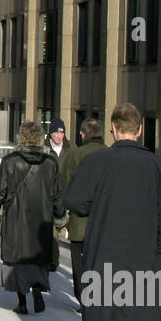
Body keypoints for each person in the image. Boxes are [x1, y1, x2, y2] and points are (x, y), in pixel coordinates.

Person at [63, 103, 161, 321]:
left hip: (103, 248)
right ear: (140, 131)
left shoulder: (97, 162)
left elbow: (74, 201)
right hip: (143, 254)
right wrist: (156, 251)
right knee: (133, 314)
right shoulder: (160, 168)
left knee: (100, 313)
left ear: (113, 130)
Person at [0, 120, 64, 315]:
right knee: (38, 258)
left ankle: (22, 302)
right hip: (42, 220)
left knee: (18, 260)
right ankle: (38, 293)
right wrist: (60, 217)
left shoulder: (11, 161)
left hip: (16, 218)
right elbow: (56, 195)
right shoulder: (50, 163)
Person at [59, 117, 105, 309]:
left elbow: (65, 186)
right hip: (104, 220)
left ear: (83, 134)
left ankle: (83, 296)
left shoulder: (74, 155)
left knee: (79, 261)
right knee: (100, 260)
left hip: (79, 221)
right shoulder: (110, 154)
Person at [46, 118, 68, 272]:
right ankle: (52, 260)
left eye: (62, 132)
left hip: (66, 195)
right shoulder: (44, 149)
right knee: (52, 229)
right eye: (56, 132)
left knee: (60, 227)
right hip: (48, 195)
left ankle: (53, 257)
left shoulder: (71, 149)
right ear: (50, 134)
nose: (59, 136)